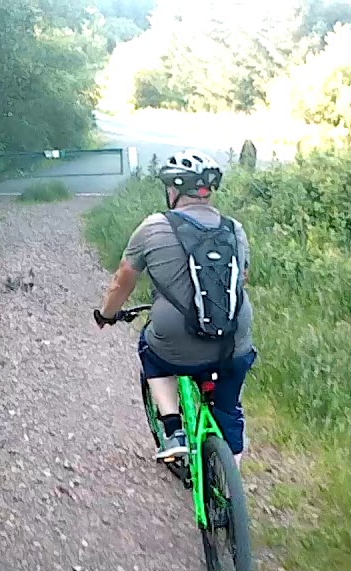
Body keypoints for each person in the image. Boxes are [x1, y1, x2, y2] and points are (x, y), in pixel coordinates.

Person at [96, 150, 256, 468]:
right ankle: (229, 482)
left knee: (149, 348)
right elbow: (243, 279)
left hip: (175, 343)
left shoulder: (153, 227)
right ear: (208, 191)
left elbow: (121, 280)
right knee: (228, 407)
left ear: (174, 190)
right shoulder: (234, 229)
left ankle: (173, 430)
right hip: (232, 342)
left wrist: (107, 313)